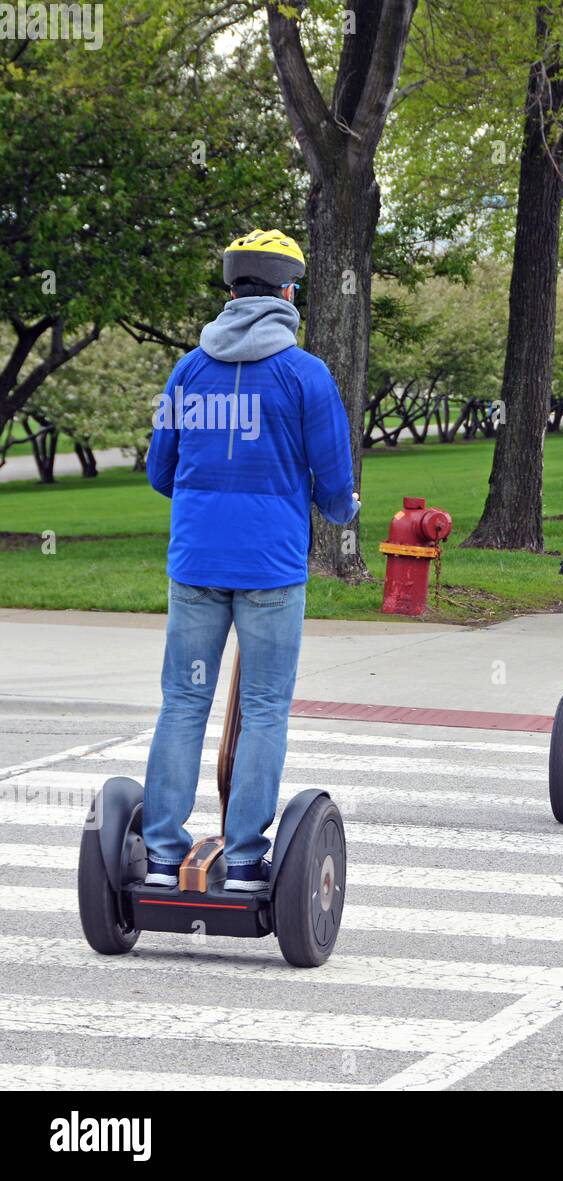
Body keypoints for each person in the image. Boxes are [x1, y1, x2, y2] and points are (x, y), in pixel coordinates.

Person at [143, 229, 357, 892]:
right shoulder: (306, 376)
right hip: (270, 569)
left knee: (183, 699)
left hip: (196, 564)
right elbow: (334, 487)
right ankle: (241, 859)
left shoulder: (188, 369)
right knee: (264, 705)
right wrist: (342, 507)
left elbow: (159, 471)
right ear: (289, 292)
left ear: (231, 289)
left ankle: (157, 850)